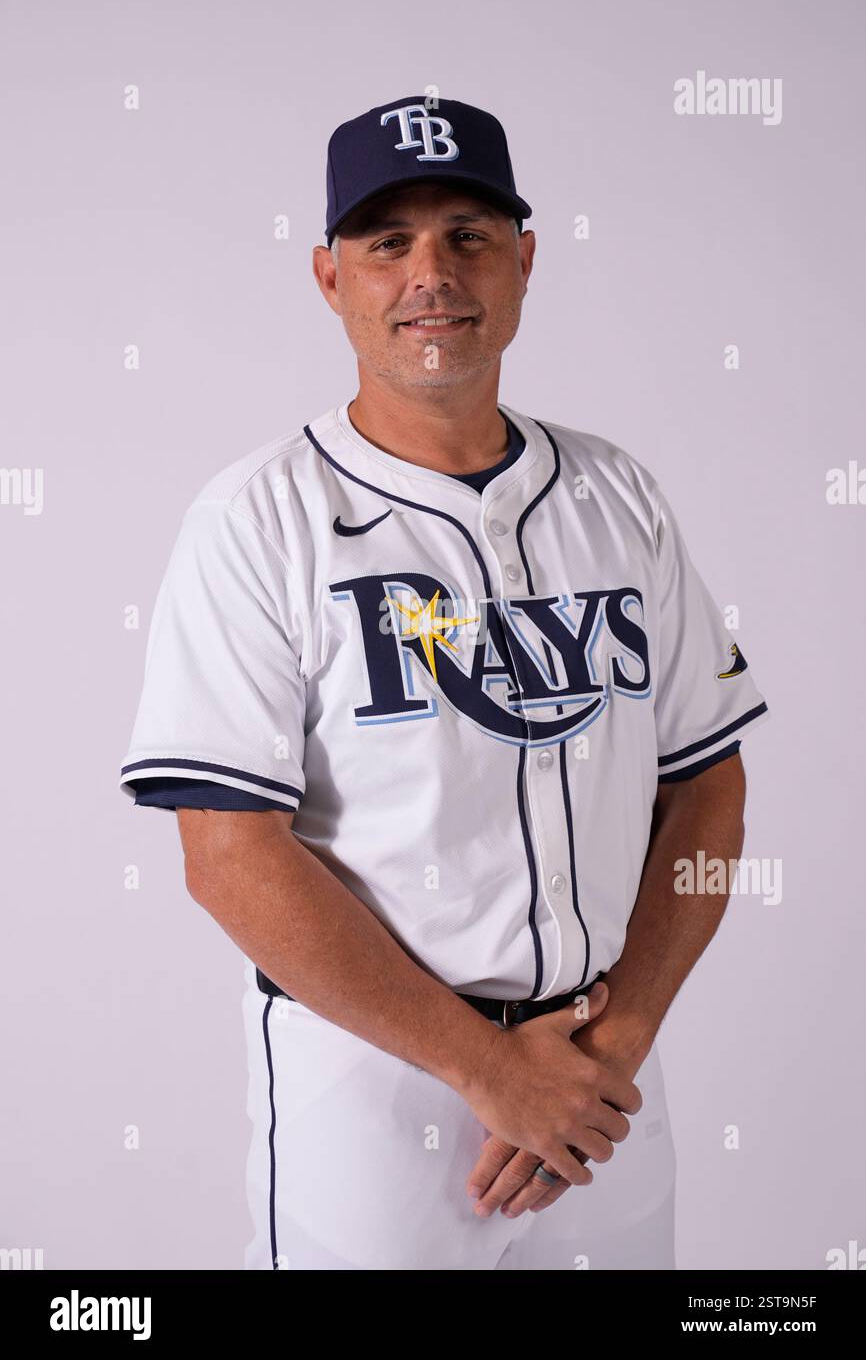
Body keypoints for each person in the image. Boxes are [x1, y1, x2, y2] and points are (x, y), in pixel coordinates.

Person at [119, 95, 770, 1270]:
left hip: (601, 1074)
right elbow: (226, 849)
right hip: (369, 1088)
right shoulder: (255, 519)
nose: (433, 272)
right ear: (330, 277)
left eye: (468, 234)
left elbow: (709, 787)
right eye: (388, 241)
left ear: (523, 261)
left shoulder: (616, 493)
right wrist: (486, 1071)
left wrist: (611, 1048)